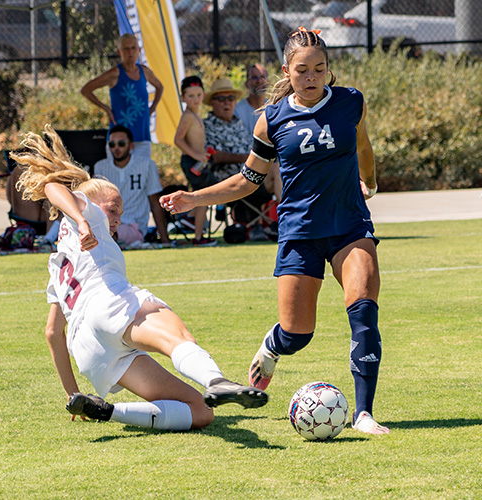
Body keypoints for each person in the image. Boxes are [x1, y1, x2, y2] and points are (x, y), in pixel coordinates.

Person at [161, 28, 388, 435]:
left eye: (320, 68)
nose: (313, 76)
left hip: (349, 225)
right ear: (288, 71)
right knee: (298, 334)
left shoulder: (351, 102)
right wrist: (195, 198)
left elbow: (363, 146)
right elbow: (247, 181)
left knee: (364, 310)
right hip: (299, 231)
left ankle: (364, 413)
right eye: (303, 70)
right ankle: (273, 345)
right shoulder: (272, 120)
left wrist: (368, 181)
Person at [11, 125, 267, 431]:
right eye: (113, 208)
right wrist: (82, 219)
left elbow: (53, 333)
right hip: (108, 304)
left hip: (89, 350)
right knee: (178, 338)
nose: (117, 218)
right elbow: (55, 187)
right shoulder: (88, 214)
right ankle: (216, 380)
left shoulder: (58, 263)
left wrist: (72, 393)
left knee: (200, 412)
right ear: (88, 201)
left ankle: (108, 411)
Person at [202, 77, 276, 238]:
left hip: (255, 175)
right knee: (275, 168)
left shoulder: (238, 123)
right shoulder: (207, 126)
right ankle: (288, 223)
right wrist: (248, 158)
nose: (227, 102)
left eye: (231, 98)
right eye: (221, 99)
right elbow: (215, 157)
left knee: (280, 167)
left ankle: (284, 221)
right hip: (231, 179)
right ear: (212, 102)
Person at [81, 33, 164, 161]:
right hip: (119, 137)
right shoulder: (115, 73)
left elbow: (160, 87)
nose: (130, 52)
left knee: (142, 171)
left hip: (142, 132)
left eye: (133, 48)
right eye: (126, 49)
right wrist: (106, 109)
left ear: (139, 50)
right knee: (118, 175)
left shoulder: (144, 71)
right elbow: (86, 90)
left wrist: (151, 108)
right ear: (119, 52)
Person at [92, 125, 173, 248]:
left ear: (131, 146)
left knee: (107, 235)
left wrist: (165, 239)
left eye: (121, 143)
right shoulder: (100, 167)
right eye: (112, 144)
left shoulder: (147, 165)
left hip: (134, 226)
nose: (116, 148)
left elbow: (155, 202)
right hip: (108, 224)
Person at [173, 75, 216, 247]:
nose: (195, 99)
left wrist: (202, 155)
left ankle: (190, 220)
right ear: (183, 98)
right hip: (191, 162)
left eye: (198, 95)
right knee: (202, 197)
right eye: (190, 96)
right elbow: (178, 139)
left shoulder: (195, 115)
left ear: (203, 94)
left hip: (197, 161)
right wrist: (196, 156)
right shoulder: (188, 116)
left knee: (202, 197)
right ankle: (198, 236)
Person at [235, 63, 284, 202]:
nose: (259, 81)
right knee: (277, 170)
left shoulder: (275, 108)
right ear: (246, 84)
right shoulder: (237, 111)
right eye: (254, 77)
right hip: (249, 170)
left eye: (262, 77)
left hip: (275, 165)